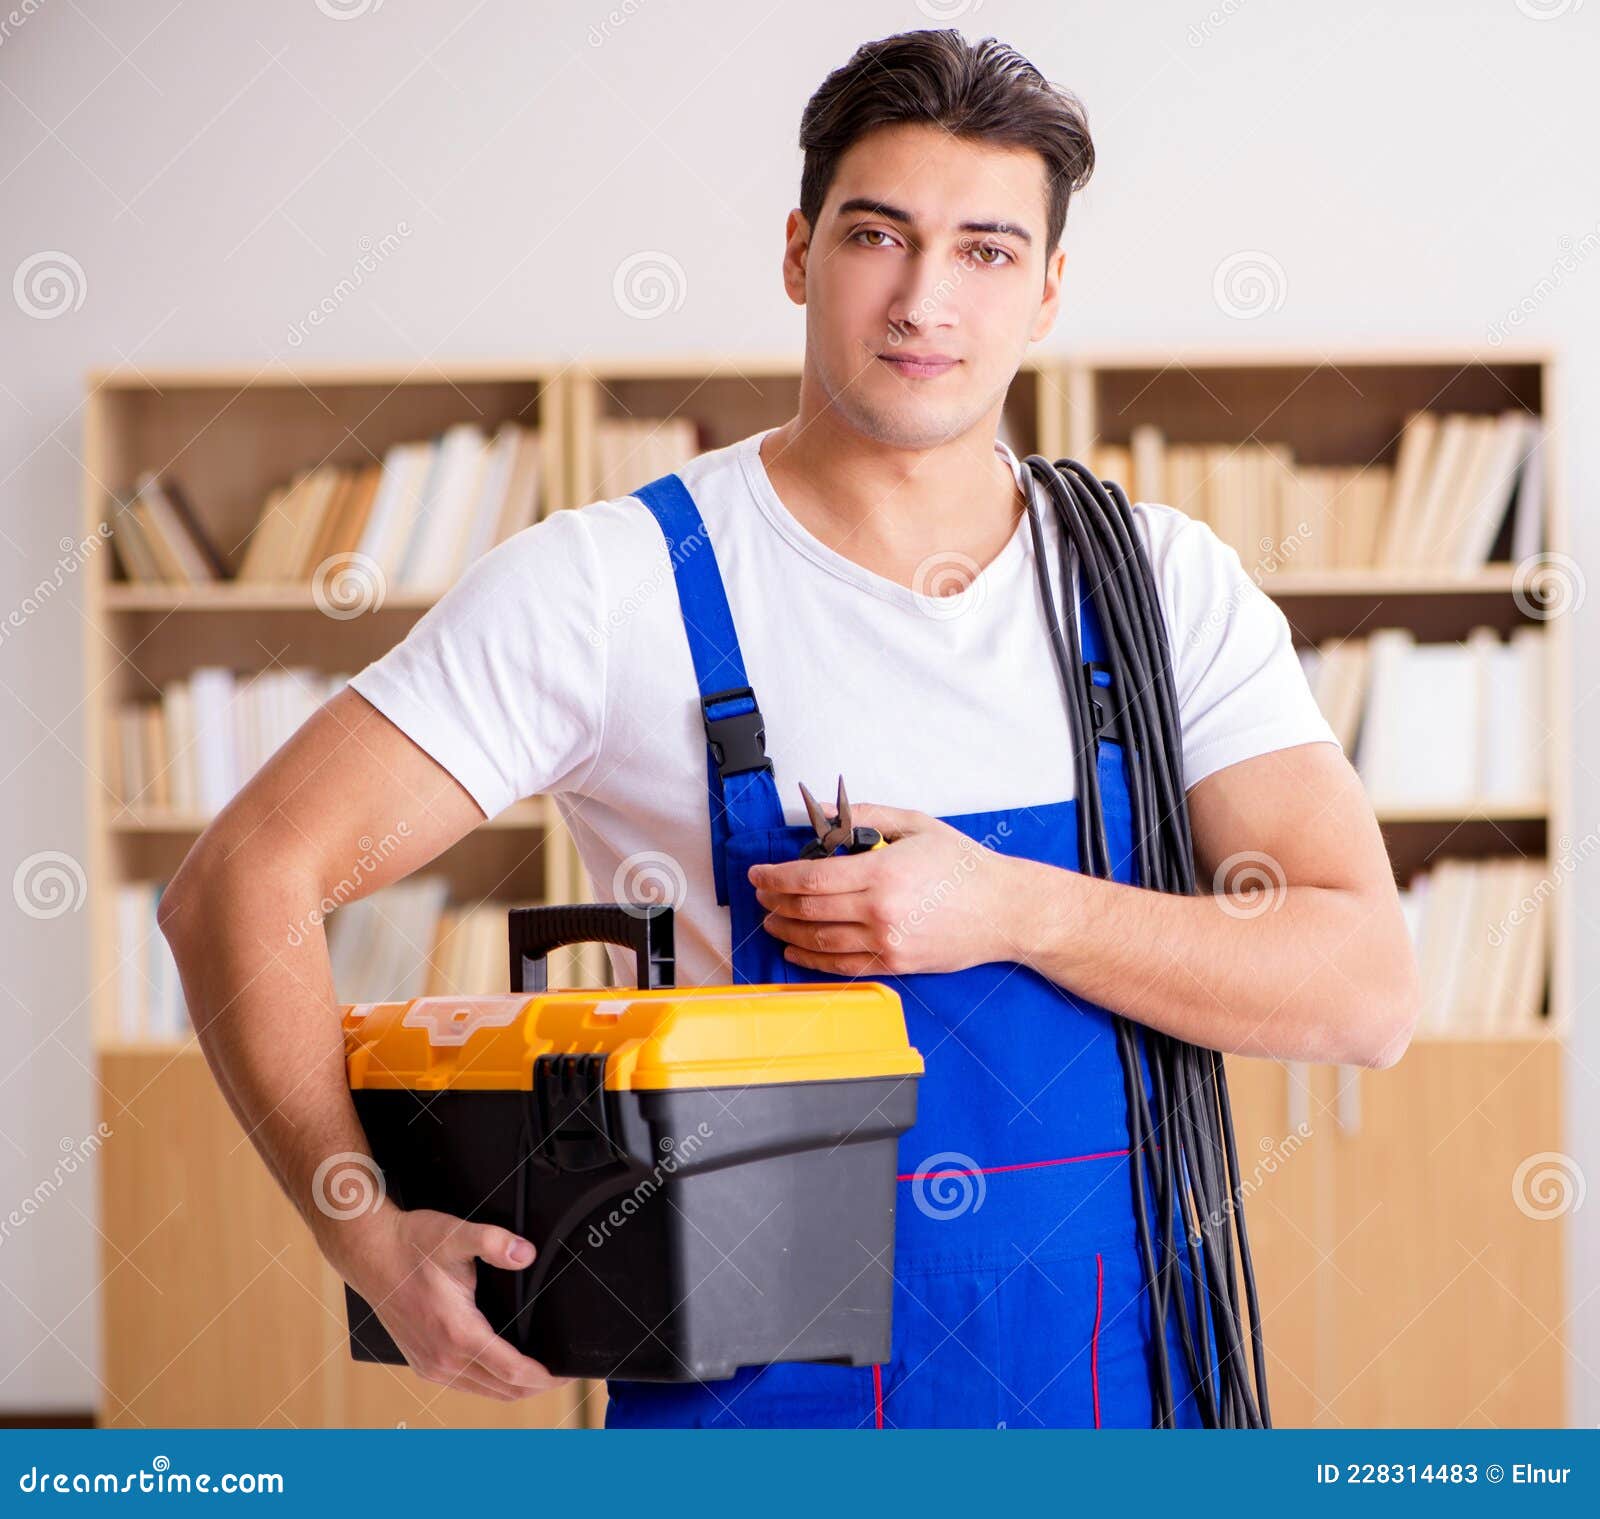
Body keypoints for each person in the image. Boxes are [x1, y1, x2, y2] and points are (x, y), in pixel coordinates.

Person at [160, 28, 1420, 1428]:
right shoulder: (611, 589)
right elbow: (239, 882)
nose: (925, 300)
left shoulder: (1156, 587)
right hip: (750, 1413)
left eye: (987, 251)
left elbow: (1364, 989)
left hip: (1117, 1387)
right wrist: (362, 1230)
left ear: (1048, 291)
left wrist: (1013, 909)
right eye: (879, 236)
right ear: (797, 255)